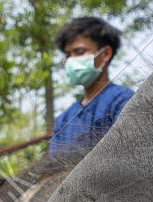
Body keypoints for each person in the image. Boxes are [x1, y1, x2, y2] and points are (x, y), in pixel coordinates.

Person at [48, 16, 136, 156]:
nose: (71, 61)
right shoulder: (63, 120)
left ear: (105, 54)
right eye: (68, 55)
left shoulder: (123, 102)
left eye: (80, 52)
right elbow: (52, 170)